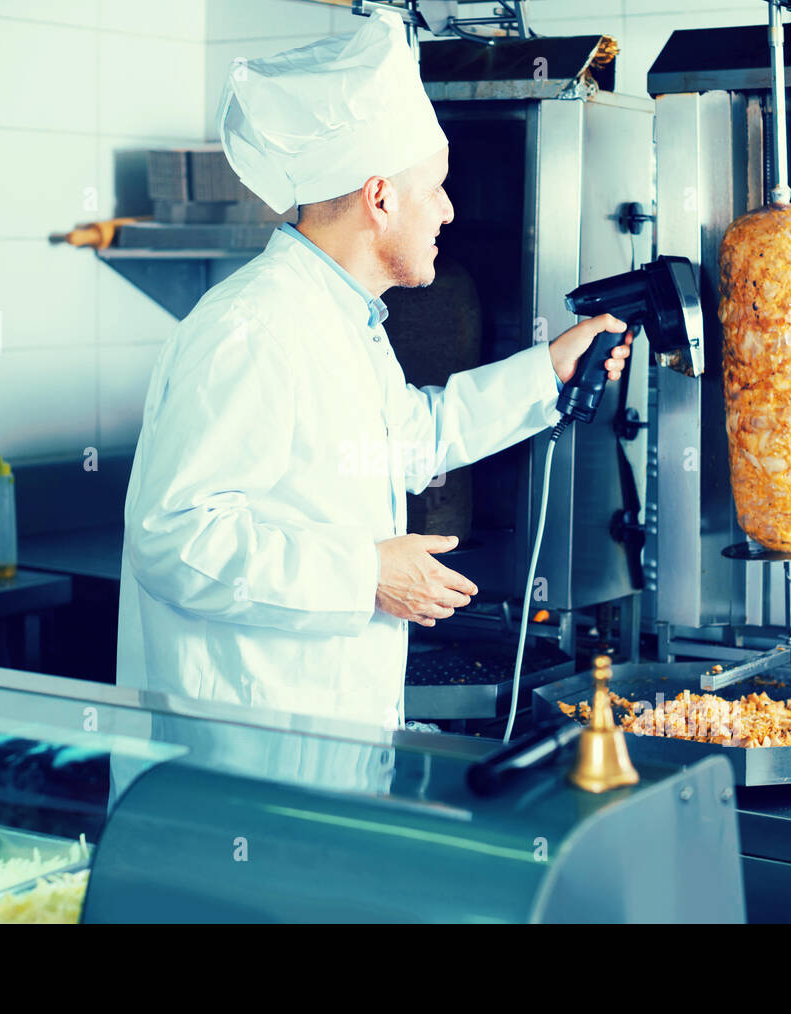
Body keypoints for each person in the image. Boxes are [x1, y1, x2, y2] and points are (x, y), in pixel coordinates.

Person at [114, 11, 632, 751]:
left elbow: (412, 438)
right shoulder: (254, 328)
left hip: (324, 743)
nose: (449, 212)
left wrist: (548, 373)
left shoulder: (344, 320)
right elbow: (176, 538)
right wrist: (363, 576)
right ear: (380, 197)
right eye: (438, 189)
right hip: (245, 757)